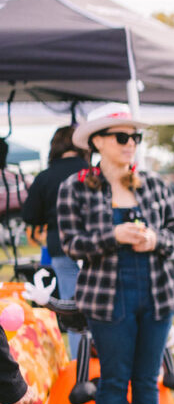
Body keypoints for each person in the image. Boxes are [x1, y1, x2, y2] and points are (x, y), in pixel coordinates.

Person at [57, 104, 174, 404]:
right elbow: (71, 244)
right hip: (107, 298)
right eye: (122, 137)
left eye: (136, 138)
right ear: (97, 141)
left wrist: (154, 240)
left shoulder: (155, 185)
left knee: (147, 379)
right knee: (114, 380)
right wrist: (113, 237)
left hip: (157, 294)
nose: (131, 144)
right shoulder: (75, 187)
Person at [22, 126, 91, 306]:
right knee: (99, 304)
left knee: (72, 305)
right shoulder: (93, 174)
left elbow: (30, 215)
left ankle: (77, 334)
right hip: (95, 245)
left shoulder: (45, 177)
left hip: (61, 245)